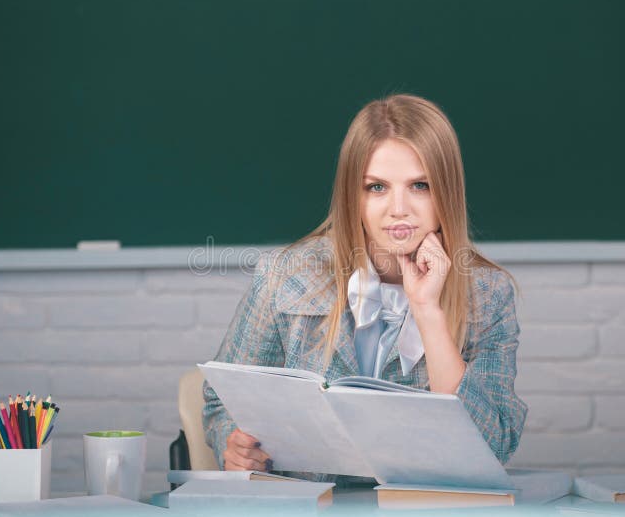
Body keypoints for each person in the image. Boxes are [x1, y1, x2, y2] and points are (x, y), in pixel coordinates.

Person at [203, 94, 527, 482]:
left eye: (420, 185)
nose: (399, 209)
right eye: (377, 188)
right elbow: (220, 402)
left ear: (446, 194)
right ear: (352, 197)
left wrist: (428, 312)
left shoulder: (488, 296)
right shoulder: (286, 276)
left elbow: (491, 447)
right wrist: (235, 445)